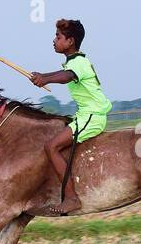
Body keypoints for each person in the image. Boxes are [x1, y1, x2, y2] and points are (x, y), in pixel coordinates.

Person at [29, 18, 113, 213]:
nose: (54, 40)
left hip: (93, 115)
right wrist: (43, 76)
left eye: (58, 37)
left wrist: (45, 78)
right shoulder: (74, 62)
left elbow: (67, 76)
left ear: (70, 41)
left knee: (51, 147)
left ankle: (72, 198)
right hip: (85, 115)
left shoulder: (80, 63)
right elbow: (64, 72)